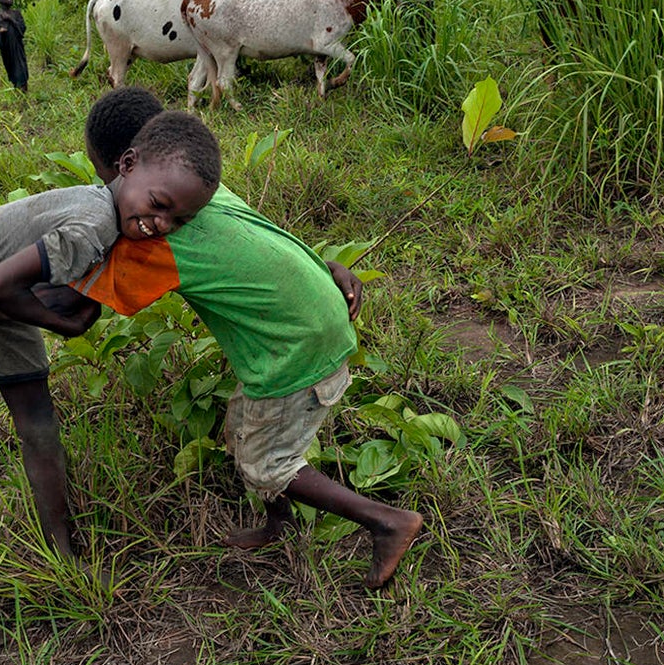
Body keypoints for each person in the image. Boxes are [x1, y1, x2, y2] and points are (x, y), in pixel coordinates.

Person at [67, 87, 424, 589]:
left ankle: (386, 521)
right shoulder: (199, 191)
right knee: (245, 430)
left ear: (124, 165)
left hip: (296, 352)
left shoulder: (154, 236)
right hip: (310, 322)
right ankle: (279, 524)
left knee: (265, 462)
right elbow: (257, 245)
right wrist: (326, 267)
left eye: (100, 174)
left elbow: (76, 314)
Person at [0, 106, 221, 558]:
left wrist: (11, 306)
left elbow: (12, 286)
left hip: (2, 291)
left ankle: (63, 555)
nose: (163, 224)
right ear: (126, 165)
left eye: (178, 219)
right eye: (160, 206)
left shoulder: (117, 210)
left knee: (40, 426)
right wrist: (66, 325)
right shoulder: (92, 225)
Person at [0, 0, 29, 91]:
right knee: (12, 71)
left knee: (22, 71)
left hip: (18, 48)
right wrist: (0, 33)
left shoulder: (16, 14)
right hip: (7, 50)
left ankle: (23, 94)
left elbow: (22, 30)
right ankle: (18, 92)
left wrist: (11, 20)